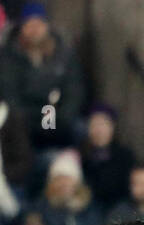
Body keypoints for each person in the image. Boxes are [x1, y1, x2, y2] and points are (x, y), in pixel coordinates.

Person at [0, 3, 85, 150]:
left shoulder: (63, 53)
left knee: (81, 129)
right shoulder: (9, 56)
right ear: (22, 27)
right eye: (30, 25)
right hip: (25, 123)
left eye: (38, 24)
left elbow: (74, 89)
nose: (35, 30)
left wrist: (59, 117)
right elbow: (10, 95)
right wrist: (38, 120)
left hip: (57, 118)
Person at [80, 103, 135, 212]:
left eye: (103, 124)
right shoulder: (81, 155)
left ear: (112, 127)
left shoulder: (125, 156)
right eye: (94, 125)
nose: (99, 130)